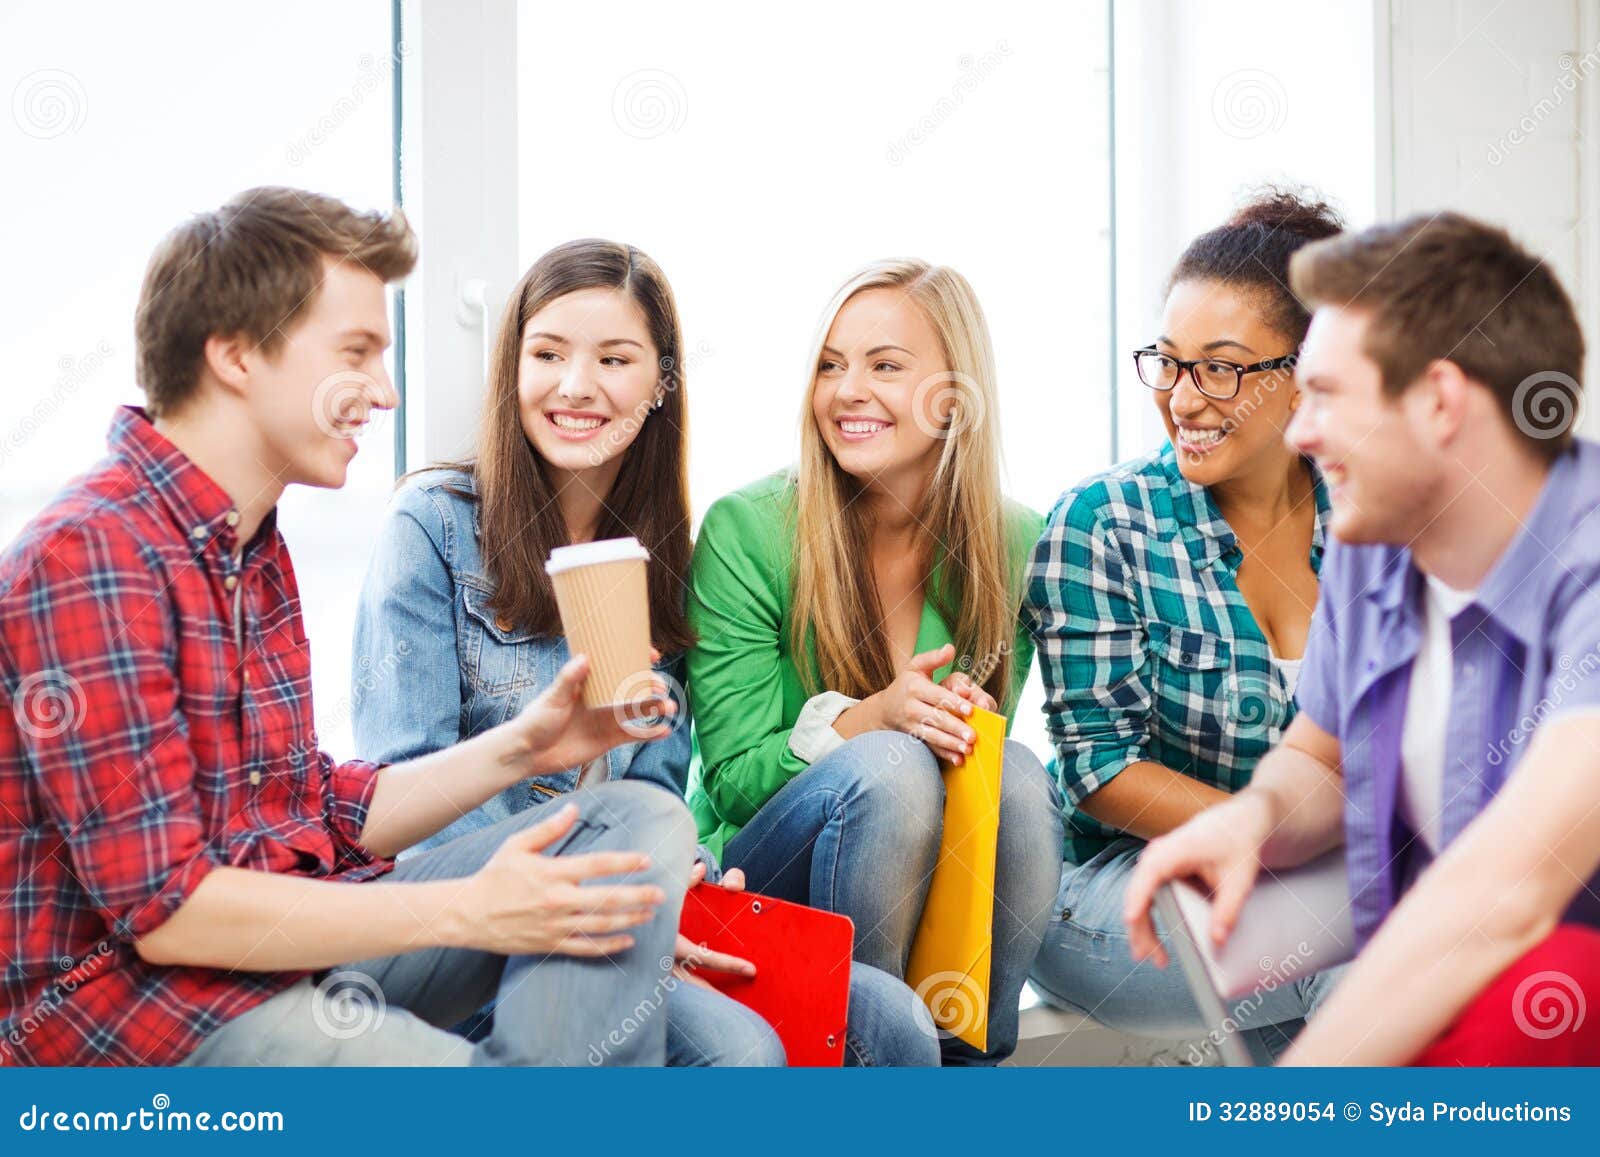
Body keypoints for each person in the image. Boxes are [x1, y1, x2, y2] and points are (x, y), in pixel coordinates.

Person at [0, 189, 773, 1067]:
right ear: (237, 355)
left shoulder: (249, 546)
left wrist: (524, 747)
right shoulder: (92, 554)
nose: (386, 389)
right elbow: (170, 910)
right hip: (152, 1014)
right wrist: (476, 905)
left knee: (634, 823)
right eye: (357, 352)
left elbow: (317, 807)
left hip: (287, 946)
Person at [351, 238, 930, 1066]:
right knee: (741, 1053)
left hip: (629, 904)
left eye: (614, 358)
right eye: (546, 353)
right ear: (512, 367)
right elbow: (412, 798)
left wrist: (683, 877)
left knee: (894, 1026)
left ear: (660, 384)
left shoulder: (660, 556)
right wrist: (618, 901)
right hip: (489, 919)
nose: (576, 385)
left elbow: (659, 790)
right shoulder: (434, 527)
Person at [1125, 211, 1600, 1065]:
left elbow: (1512, 888)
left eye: (1329, 396)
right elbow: (1319, 756)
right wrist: (1256, 816)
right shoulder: (1370, 548)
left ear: (1441, 401)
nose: (1302, 432)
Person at [687, 258, 1063, 1065]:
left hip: (921, 879)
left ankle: (967, 1067)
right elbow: (731, 779)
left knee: (1023, 781)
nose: (846, 390)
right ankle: (869, 1057)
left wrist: (968, 720)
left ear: (955, 396)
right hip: (752, 882)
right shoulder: (747, 531)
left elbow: (980, 793)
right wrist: (868, 720)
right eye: (830, 365)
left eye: (884, 366)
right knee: (889, 764)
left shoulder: (1015, 543)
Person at [1022, 191, 1346, 1054]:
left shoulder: (1363, 517)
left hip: (1322, 874)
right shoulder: (1102, 522)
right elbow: (1101, 771)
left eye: (1222, 367)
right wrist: (1281, 833)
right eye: (1166, 361)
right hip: (1118, 893)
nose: (1182, 397)